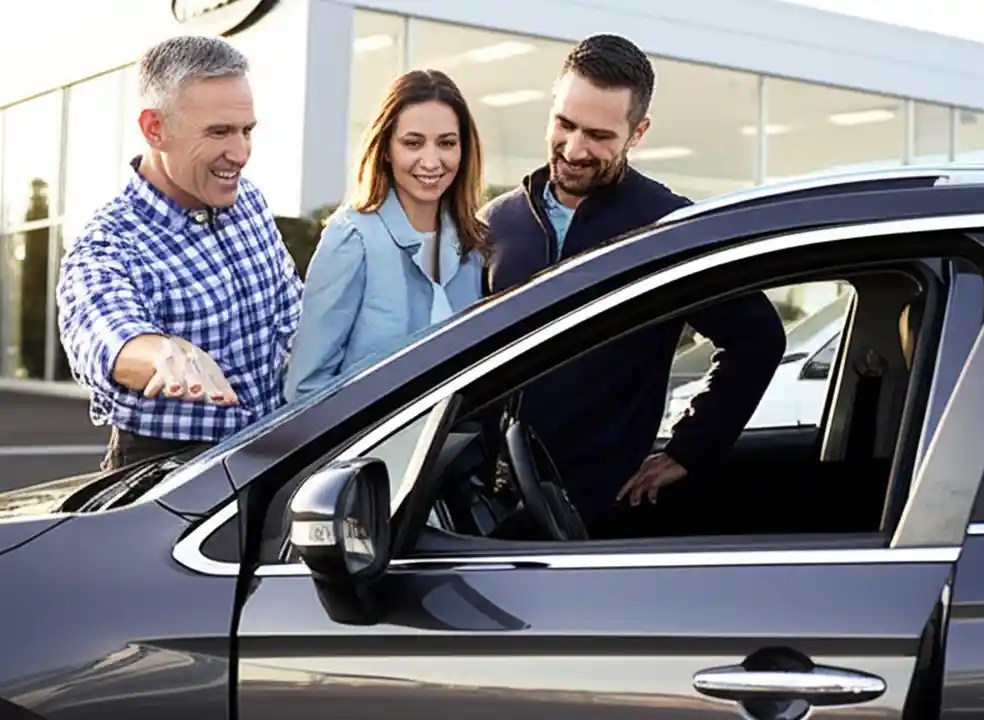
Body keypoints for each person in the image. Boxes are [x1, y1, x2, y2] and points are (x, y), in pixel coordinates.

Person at [481, 34, 786, 534]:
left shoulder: (667, 227)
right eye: (565, 125)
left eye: (600, 135)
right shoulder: (497, 224)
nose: (575, 149)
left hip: (599, 519)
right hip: (489, 510)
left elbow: (757, 338)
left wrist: (690, 448)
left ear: (637, 133)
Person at [56, 35, 303, 472]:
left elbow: (292, 314)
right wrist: (158, 353)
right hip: (169, 480)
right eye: (219, 132)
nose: (241, 153)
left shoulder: (251, 204)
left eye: (246, 130)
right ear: (155, 128)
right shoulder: (109, 242)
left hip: (272, 455)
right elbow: (103, 332)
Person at [284, 70, 490, 401]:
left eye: (447, 143)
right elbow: (305, 387)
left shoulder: (473, 243)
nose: (431, 161)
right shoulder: (351, 237)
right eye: (413, 143)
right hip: (369, 450)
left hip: (452, 447)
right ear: (385, 149)